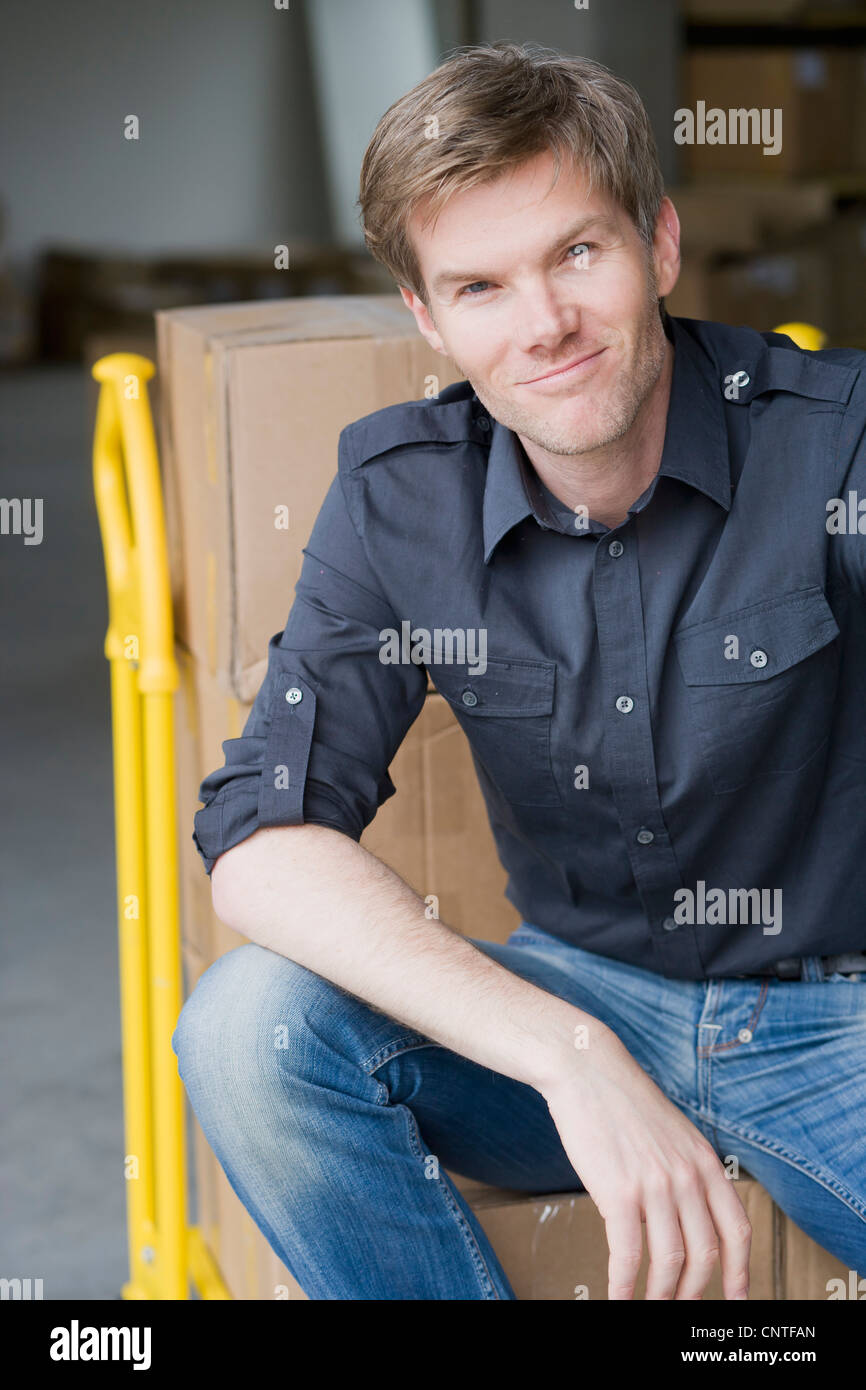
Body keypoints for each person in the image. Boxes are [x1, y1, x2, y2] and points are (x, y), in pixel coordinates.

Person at [172, 41, 866, 1300]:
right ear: (429, 318)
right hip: (578, 994)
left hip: (840, 1021)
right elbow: (259, 836)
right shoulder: (399, 499)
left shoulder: (832, 444)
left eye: (576, 255)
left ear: (657, 245)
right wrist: (568, 1051)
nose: (541, 324)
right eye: (480, 285)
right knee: (245, 1030)